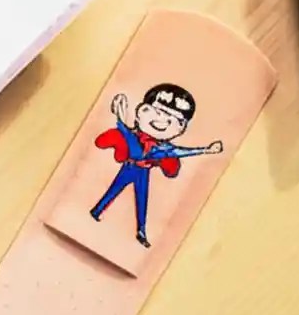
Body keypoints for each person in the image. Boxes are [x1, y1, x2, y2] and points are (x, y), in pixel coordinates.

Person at [89, 84, 223, 248]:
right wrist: (119, 117)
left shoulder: (163, 148)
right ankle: (97, 211)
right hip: (129, 167)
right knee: (113, 190)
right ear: (141, 111)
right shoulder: (133, 136)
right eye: (158, 112)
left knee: (142, 200)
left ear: (181, 128)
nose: (162, 121)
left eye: (173, 120)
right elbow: (122, 135)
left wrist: (206, 150)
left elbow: (181, 152)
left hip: (143, 171)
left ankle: (141, 231)